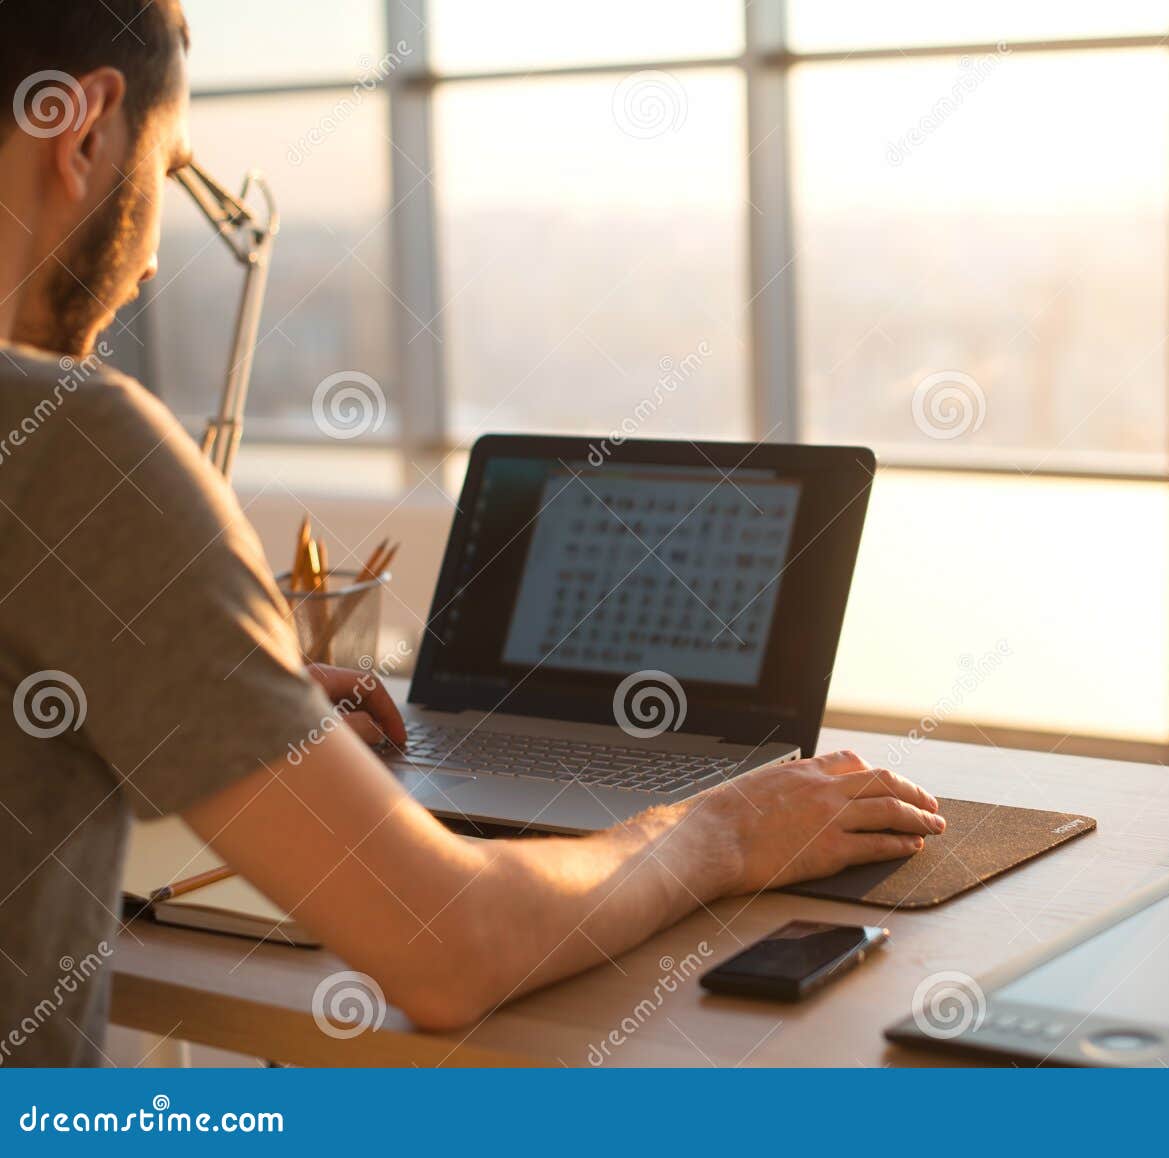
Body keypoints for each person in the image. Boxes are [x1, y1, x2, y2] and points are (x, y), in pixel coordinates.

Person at [0, 0, 944, 1066]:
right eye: (166, 173)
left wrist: (216, 693)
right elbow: (448, 951)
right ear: (83, 134)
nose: (153, 263)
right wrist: (723, 828)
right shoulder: (66, 440)